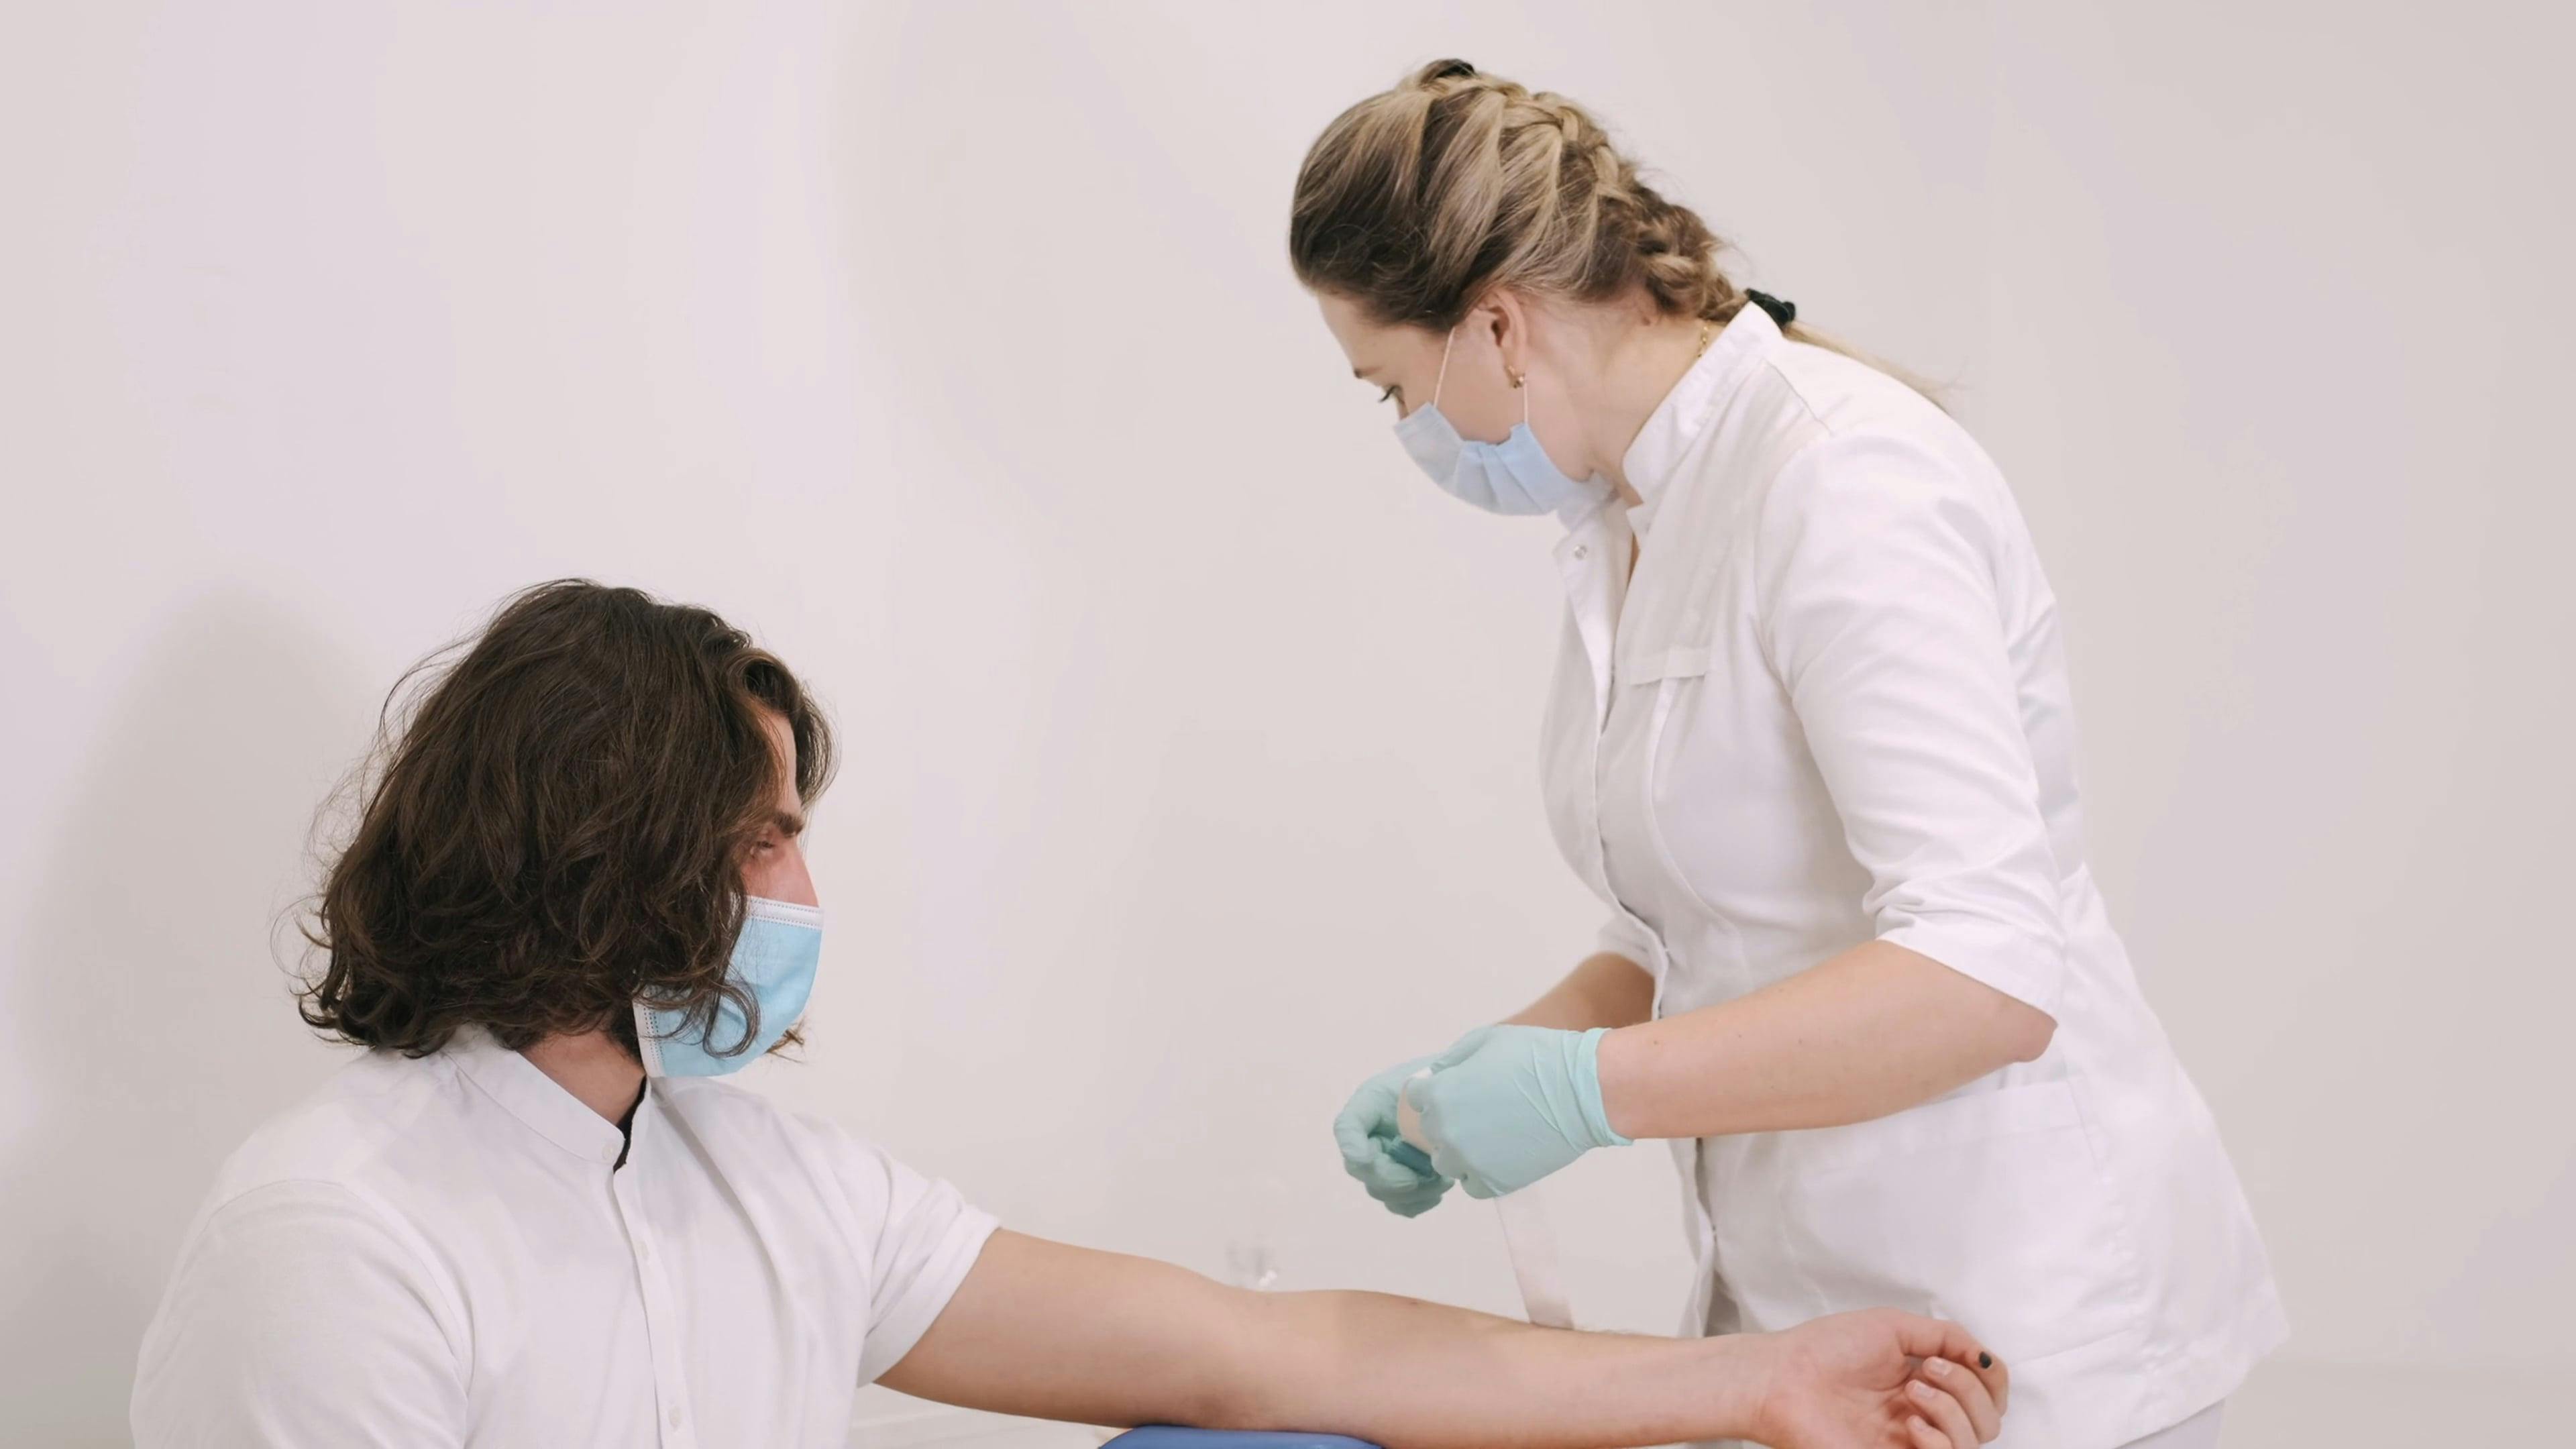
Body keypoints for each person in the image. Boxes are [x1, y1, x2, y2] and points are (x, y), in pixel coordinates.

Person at [131, 580, 2008, 1449]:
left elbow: (1284, 1361)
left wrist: (1755, 1387)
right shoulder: (341, 1239)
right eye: (765, 844)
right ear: (603, 854)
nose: (802, 900)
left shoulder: (759, 1185)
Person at [1296, 61, 2286, 1449]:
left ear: (1498, 328)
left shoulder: (1842, 482)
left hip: (2022, 1322)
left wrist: (1585, 1098)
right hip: (1809, 1318)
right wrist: (1511, 1055)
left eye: (1390, 385)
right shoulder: (1633, 517)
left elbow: (1985, 972)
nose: (1410, 430)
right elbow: (1703, 915)